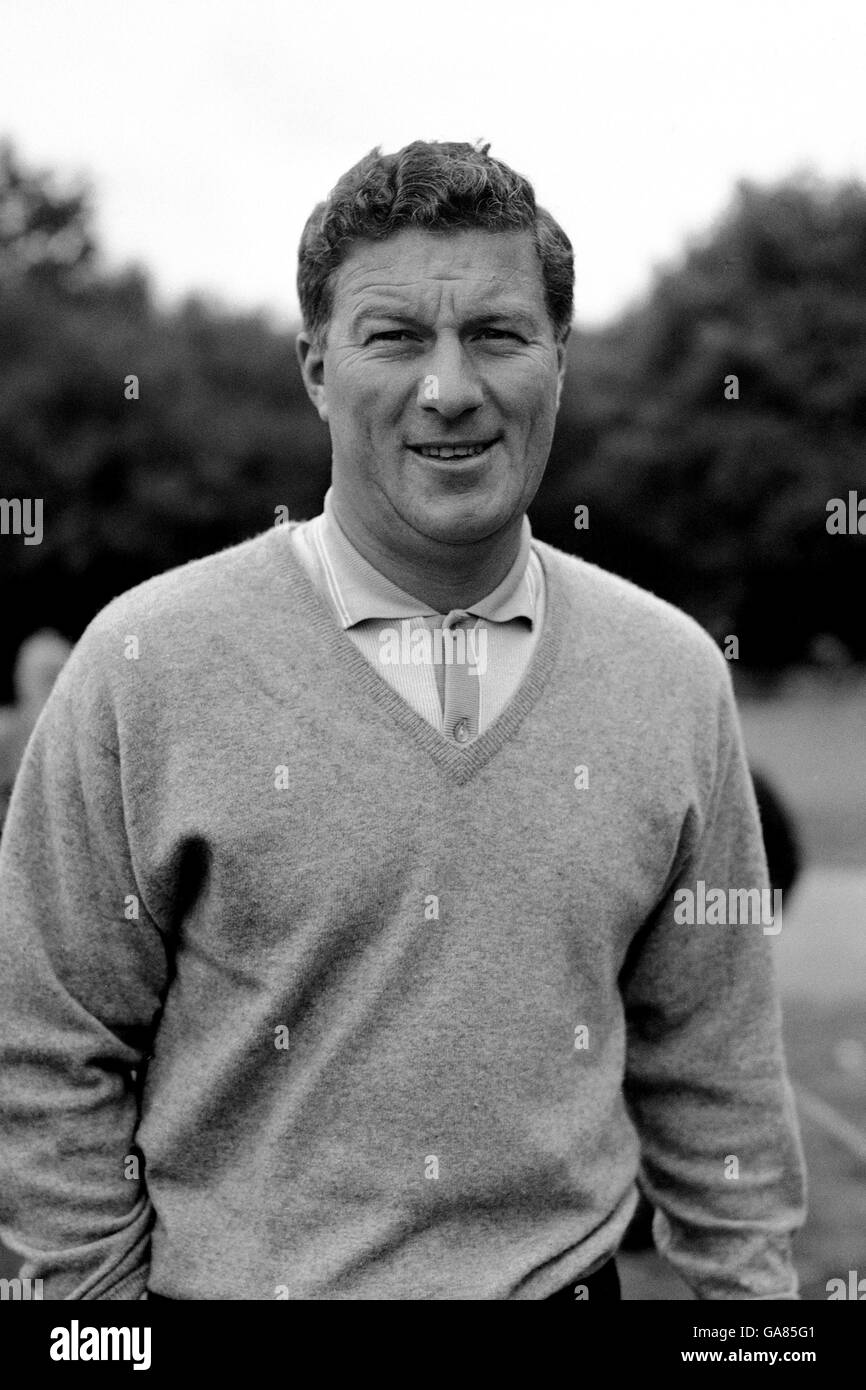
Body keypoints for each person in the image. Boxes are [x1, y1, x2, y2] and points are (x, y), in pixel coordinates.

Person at [0, 140, 806, 1301]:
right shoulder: (145, 663)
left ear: (558, 362)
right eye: (395, 338)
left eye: (495, 333)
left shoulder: (670, 675)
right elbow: (45, 1053)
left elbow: (713, 1065)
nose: (449, 387)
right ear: (317, 368)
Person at [0, 628, 72, 838]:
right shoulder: (5, 732)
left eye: (57, 676)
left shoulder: (79, 741)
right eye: (46, 677)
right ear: (20, 678)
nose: (50, 688)